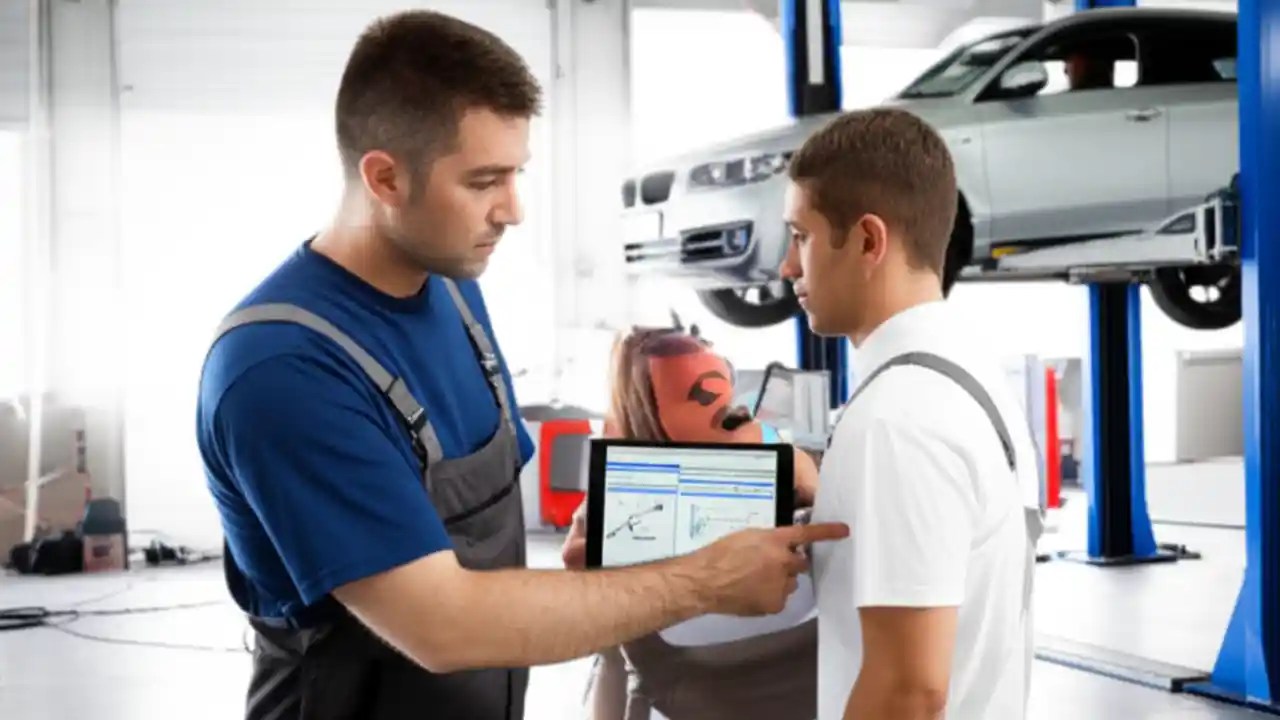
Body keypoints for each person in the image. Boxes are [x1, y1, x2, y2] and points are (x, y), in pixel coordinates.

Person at [195, 10, 849, 720]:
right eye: (484, 181)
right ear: (384, 178)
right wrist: (703, 581)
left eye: (518, 172)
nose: (514, 209)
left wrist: (681, 514)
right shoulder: (284, 371)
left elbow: (483, 545)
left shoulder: (453, 291)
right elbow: (446, 624)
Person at [779, 107, 1041, 720]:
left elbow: (910, 691)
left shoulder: (897, 419)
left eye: (801, 237)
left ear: (868, 240)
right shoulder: (970, 376)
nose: (788, 268)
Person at [561, 325, 821, 720]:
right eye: (702, 395)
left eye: (727, 394)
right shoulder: (613, 514)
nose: (733, 413)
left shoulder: (793, 480)